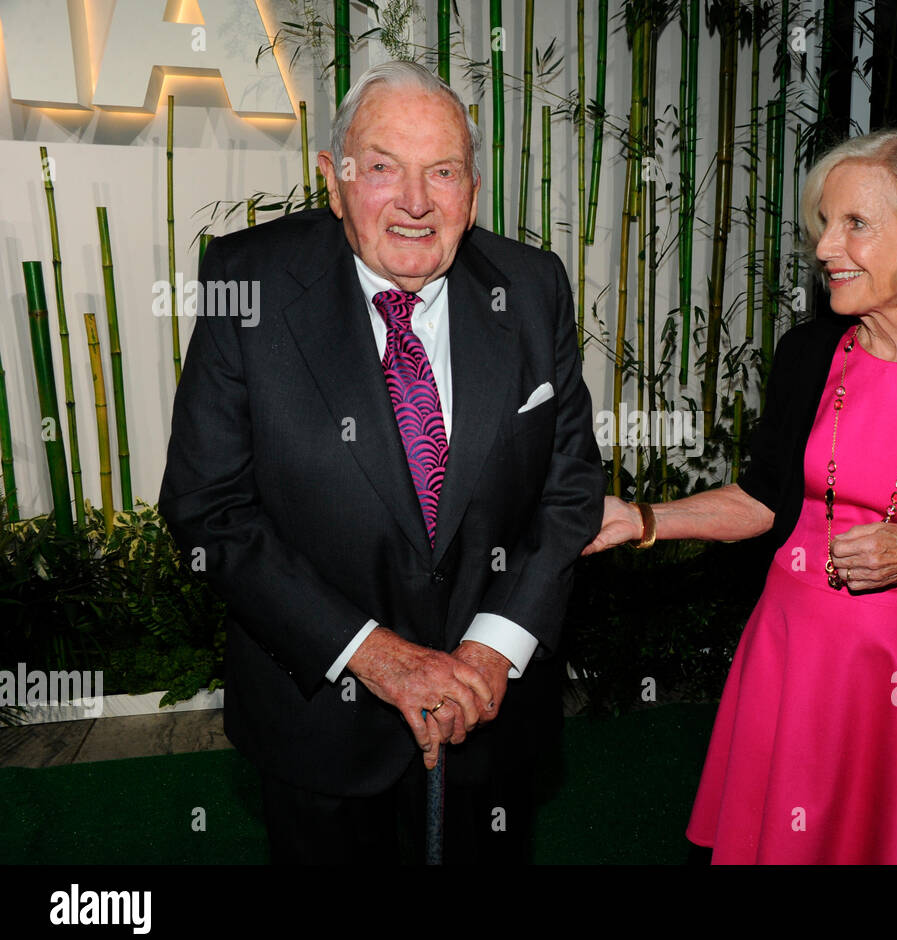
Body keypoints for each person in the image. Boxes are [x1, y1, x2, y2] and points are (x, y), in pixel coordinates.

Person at [585, 118, 897, 864]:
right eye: (825, 222)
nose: (824, 247)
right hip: (792, 654)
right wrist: (643, 518)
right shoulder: (809, 351)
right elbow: (763, 501)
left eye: (855, 224)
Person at [158, 61, 604, 865]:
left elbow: (569, 490)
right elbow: (207, 506)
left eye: (442, 171)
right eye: (382, 169)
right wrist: (375, 655)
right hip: (320, 722)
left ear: (472, 187)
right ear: (332, 180)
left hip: (490, 712)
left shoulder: (533, 288)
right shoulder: (245, 281)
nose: (414, 202)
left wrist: (491, 650)